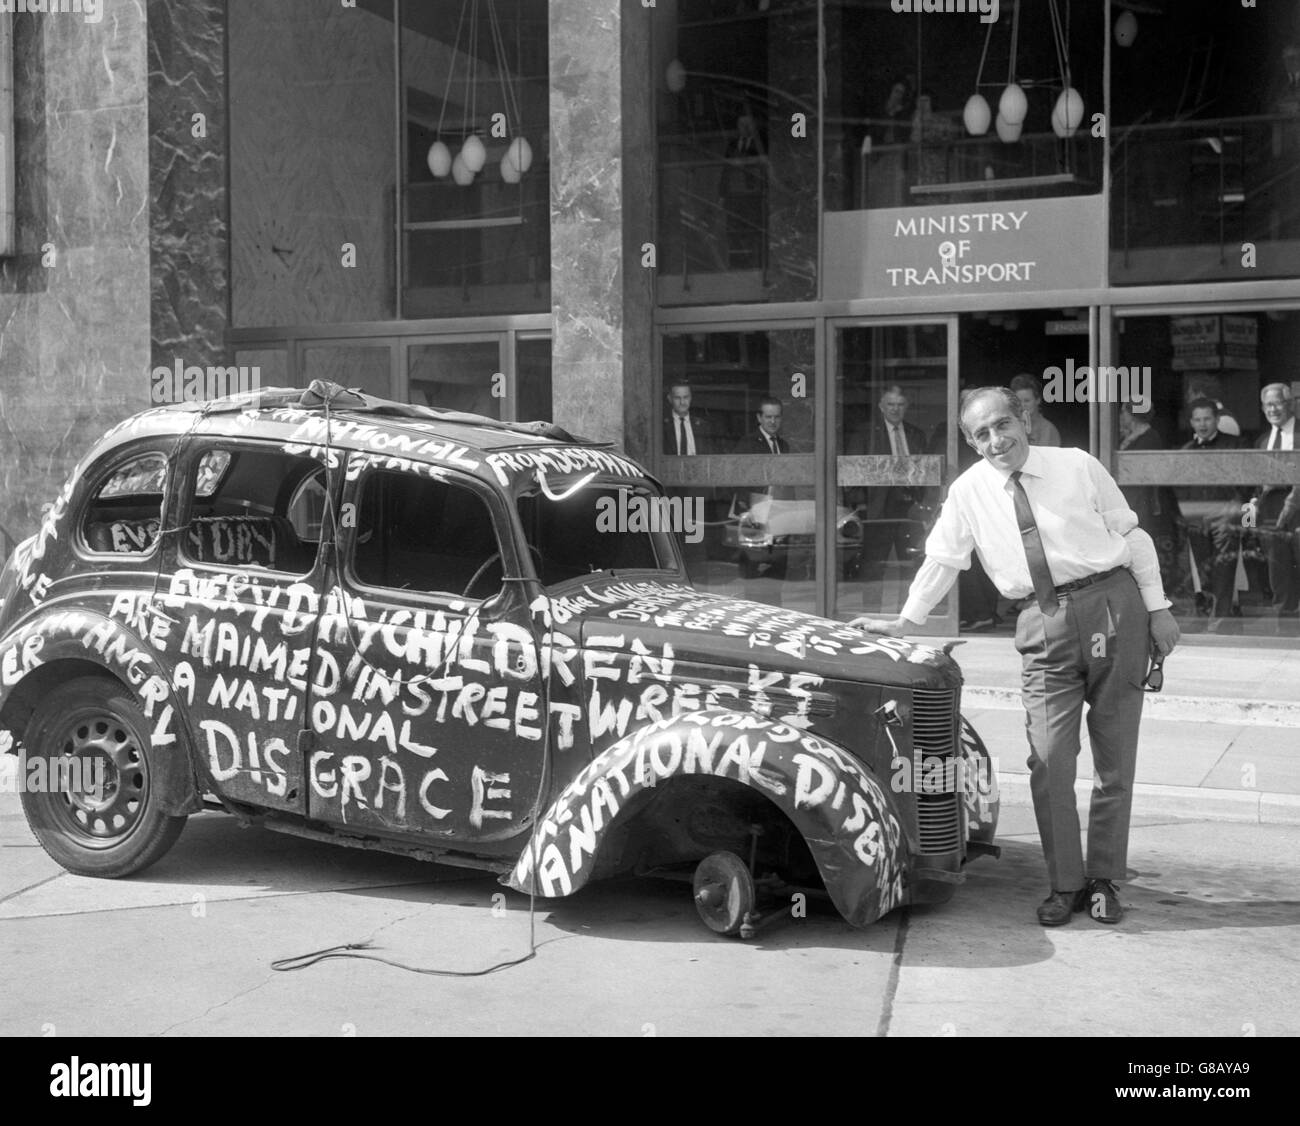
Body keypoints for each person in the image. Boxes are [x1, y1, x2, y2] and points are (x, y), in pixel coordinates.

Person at [851, 387, 1180, 927]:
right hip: (1040, 623)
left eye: (1003, 425)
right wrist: (908, 621)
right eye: (981, 434)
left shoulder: (1076, 466)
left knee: (1114, 761)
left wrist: (1158, 610)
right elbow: (943, 559)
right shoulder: (968, 491)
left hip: (1113, 608)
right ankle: (1065, 885)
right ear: (969, 440)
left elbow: (1132, 535)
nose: (995, 440)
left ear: (1023, 420)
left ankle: (1103, 880)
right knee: (1049, 761)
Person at [846, 385, 928, 583]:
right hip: (878, 511)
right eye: (890, 404)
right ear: (881, 406)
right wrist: (861, 507)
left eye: (900, 404)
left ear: (907, 406)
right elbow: (852, 473)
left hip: (910, 510)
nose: (895, 409)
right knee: (873, 567)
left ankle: (910, 613)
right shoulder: (865, 434)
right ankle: (870, 610)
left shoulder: (916, 434)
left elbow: (926, 470)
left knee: (912, 567)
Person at [1179, 399, 1243, 631]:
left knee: (1224, 572)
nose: (1202, 424)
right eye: (1198, 419)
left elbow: (1245, 484)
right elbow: (1180, 489)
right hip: (1197, 519)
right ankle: (1209, 618)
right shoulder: (1186, 451)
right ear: (1191, 422)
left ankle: (1221, 624)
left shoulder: (1235, 445)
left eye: (1207, 418)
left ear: (1217, 420)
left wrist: (1234, 512)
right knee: (1204, 570)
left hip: (1226, 518)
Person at [1251, 383, 1300, 635]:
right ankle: (1288, 636)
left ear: (1290, 403)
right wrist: (1252, 520)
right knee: (1279, 578)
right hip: (1270, 518)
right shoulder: (1261, 441)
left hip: (1298, 512)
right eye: (1268, 405)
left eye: (1277, 403)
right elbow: (1256, 487)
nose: (1273, 409)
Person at [662, 380, 713, 456]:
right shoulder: (661, 426)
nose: (682, 402)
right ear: (670, 399)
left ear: (691, 398)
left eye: (686, 397)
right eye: (677, 398)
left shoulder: (703, 426)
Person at [1009, 373, 1061, 447]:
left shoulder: (1048, 430)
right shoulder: (1011, 428)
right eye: (1019, 401)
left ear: (1038, 400)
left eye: (1027, 400)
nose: (1022, 405)